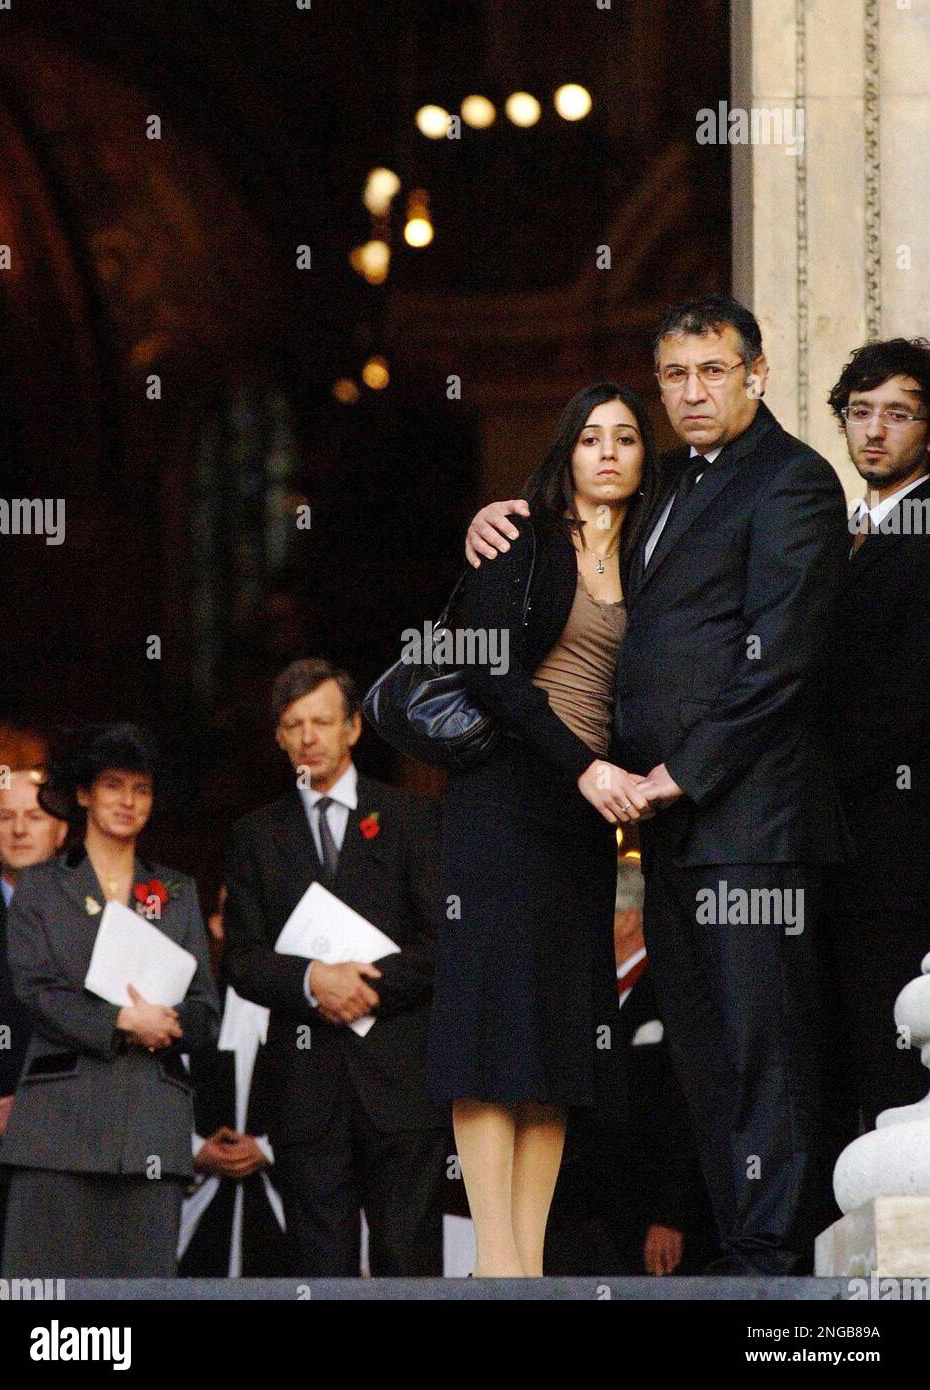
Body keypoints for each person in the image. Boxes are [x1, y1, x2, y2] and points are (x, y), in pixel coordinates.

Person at [465, 298, 850, 1274]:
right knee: (702, 1060)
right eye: (673, 376)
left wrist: (681, 771)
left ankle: (772, 1270)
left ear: (754, 373)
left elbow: (782, 663)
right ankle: (740, 1255)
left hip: (751, 823)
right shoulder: (668, 481)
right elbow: (580, 518)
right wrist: (503, 514)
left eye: (711, 372)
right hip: (672, 834)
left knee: (765, 1051)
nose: (690, 393)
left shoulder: (793, 481)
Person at [429, 382, 663, 1278]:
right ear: (565, 452)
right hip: (503, 803)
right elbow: (489, 674)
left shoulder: (654, 549)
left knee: (558, 1036)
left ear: (647, 459)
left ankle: (525, 1267)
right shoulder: (521, 538)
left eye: (626, 438)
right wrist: (585, 767)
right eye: (590, 438)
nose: (608, 452)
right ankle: (498, 1265)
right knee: (492, 1030)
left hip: (582, 821)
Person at [222, 659, 449, 1277]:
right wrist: (309, 981)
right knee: (319, 1273)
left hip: (401, 1086)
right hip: (304, 1090)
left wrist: (361, 986)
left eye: (321, 721)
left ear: (353, 728)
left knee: (410, 1266)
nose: (307, 737)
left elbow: (444, 942)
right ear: (278, 736)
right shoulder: (255, 835)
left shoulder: (412, 818)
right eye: (292, 724)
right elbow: (241, 957)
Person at [0, 724, 219, 1278]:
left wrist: (166, 1022)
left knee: (141, 1296)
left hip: (151, 1127)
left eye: (141, 789)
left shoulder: (177, 892)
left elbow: (206, 1013)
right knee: (45, 1303)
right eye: (113, 785)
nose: (127, 801)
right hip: (58, 1128)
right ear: (83, 794)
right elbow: (36, 990)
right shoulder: (41, 887)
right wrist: (121, 1018)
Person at [820, 337, 930, 1148]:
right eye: (861, 412)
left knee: (898, 1037)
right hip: (839, 838)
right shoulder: (833, 534)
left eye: (898, 413)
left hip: (905, 833)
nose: (875, 431)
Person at [545, 858, 717, 1276]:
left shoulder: (671, 992)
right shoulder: (585, 995)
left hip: (650, 1220)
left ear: (625, 920)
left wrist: (670, 1215)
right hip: (584, 1219)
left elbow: (686, 1110)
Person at [0, 769, 67, 1275]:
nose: (19, 830)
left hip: (76, 1163)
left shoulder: (102, 921)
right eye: (5, 817)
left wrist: (37, 1103)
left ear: (61, 829)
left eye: (34, 816)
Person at [178, 887, 289, 1278]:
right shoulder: (190, 1007)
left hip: (282, 1210)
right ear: (216, 924)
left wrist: (267, 1151)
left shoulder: (301, 1012)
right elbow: (158, 1100)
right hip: (196, 1210)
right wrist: (195, 1151)